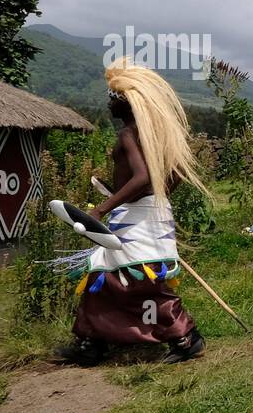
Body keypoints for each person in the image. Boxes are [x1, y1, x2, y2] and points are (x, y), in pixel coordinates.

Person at [54, 60, 210, 365]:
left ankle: (186, 337)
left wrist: (102, 208)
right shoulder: (152, 134)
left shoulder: (129, 134)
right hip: (147, 215)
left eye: (111, 97)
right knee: (105, 275)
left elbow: (141, 177)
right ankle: (91, 342)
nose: (108, 103)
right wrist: (153, 198)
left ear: (124, 102)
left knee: (136, 280)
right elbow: (172, 174)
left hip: (137, 218)